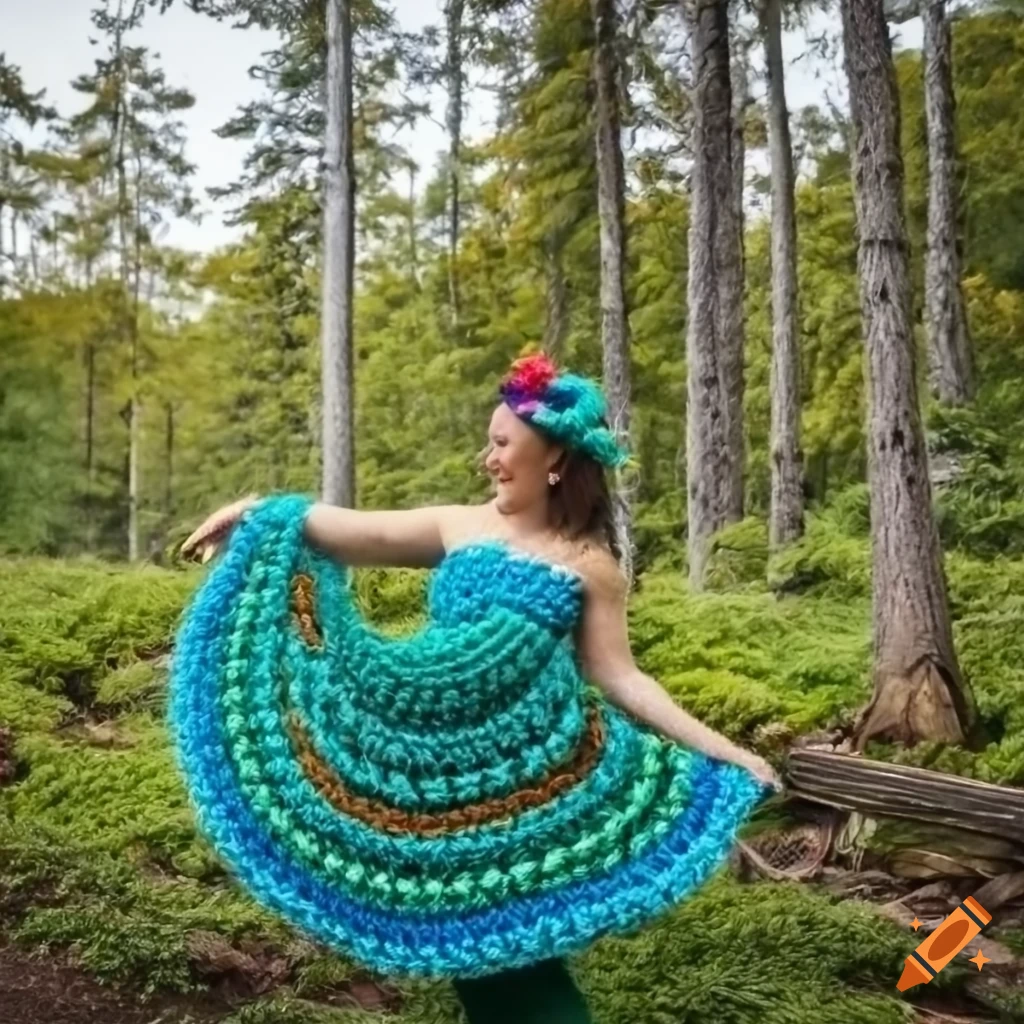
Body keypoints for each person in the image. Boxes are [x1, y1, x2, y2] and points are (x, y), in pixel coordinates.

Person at [175, 352, 781, 1023]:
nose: (487, 457)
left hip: (525, 781)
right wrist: (254, 513)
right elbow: (347, 528)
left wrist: (726, 751)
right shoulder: (459, 525)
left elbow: (621, 677)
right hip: (423, 764)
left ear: (554, 460)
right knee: (480, 955)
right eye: (488, 443)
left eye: (501, 443)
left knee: (509, 959)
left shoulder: (590, 566)